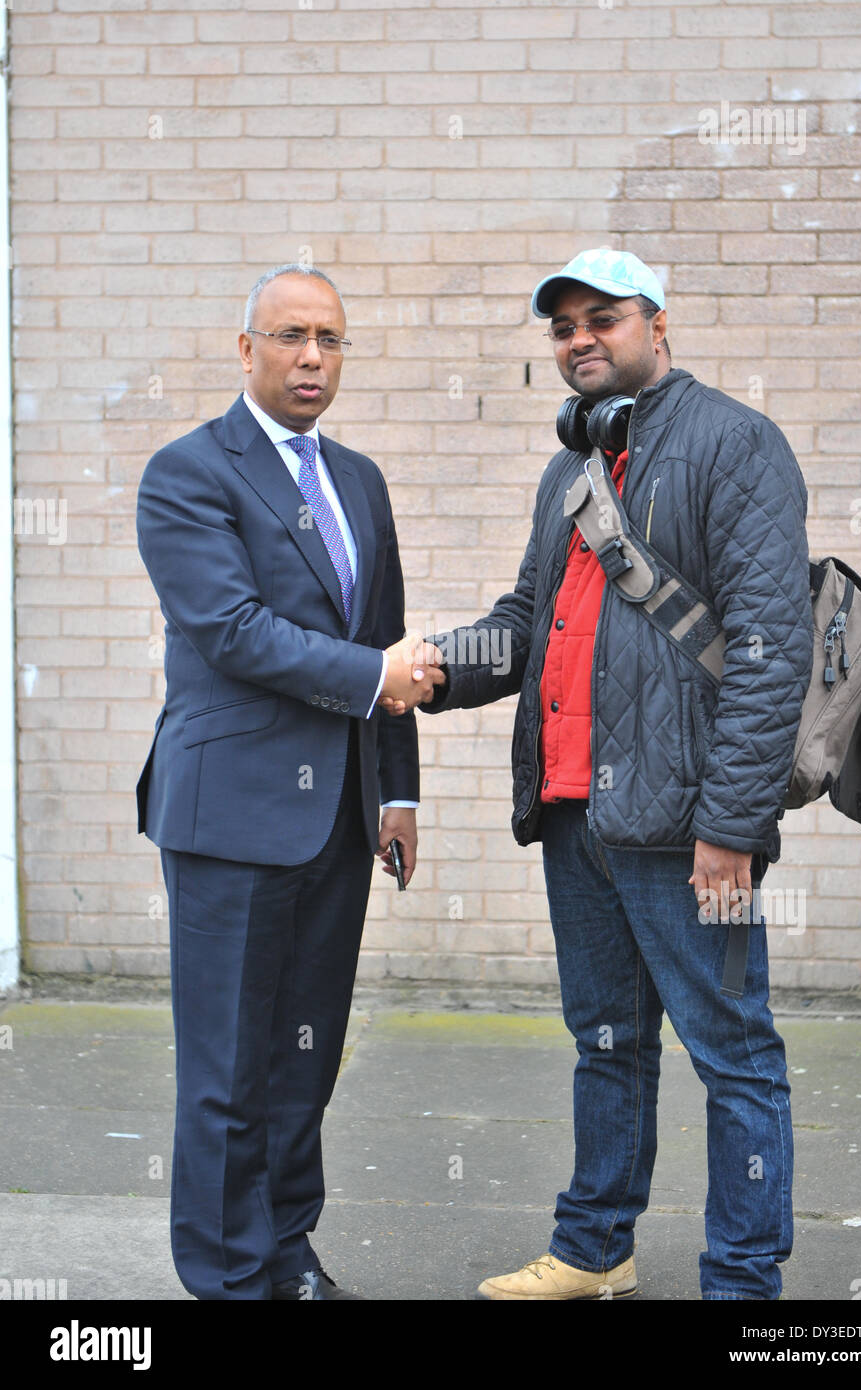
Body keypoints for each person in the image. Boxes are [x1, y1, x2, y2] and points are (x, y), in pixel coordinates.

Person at [394, 248, 814, 1300]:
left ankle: (742, 1282)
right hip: (575, 813)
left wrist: (729, 822)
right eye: (562, 325)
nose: (579, 338)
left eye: (602, 318)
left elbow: (771, 649)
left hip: (686, 827)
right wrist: (434, 669)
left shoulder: (732, 444)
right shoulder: (569, 470)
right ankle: (594, 1249)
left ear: (655, 322)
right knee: (606, 1040)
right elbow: (528, 623)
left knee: (732, 1052)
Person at [135, 263, 442, 1301]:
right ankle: (225, 1276)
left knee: (304, 1061)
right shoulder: (188, 473)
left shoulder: (357, 480)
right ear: (247, 349)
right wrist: (377, 677)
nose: (312, 356)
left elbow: (381, 643)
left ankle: (284, 1250)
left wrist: (395, 794)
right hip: (230, 818)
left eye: (330, 339)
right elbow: (232, 631)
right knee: (228, 1068)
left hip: (340, 820)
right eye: (291, 336)